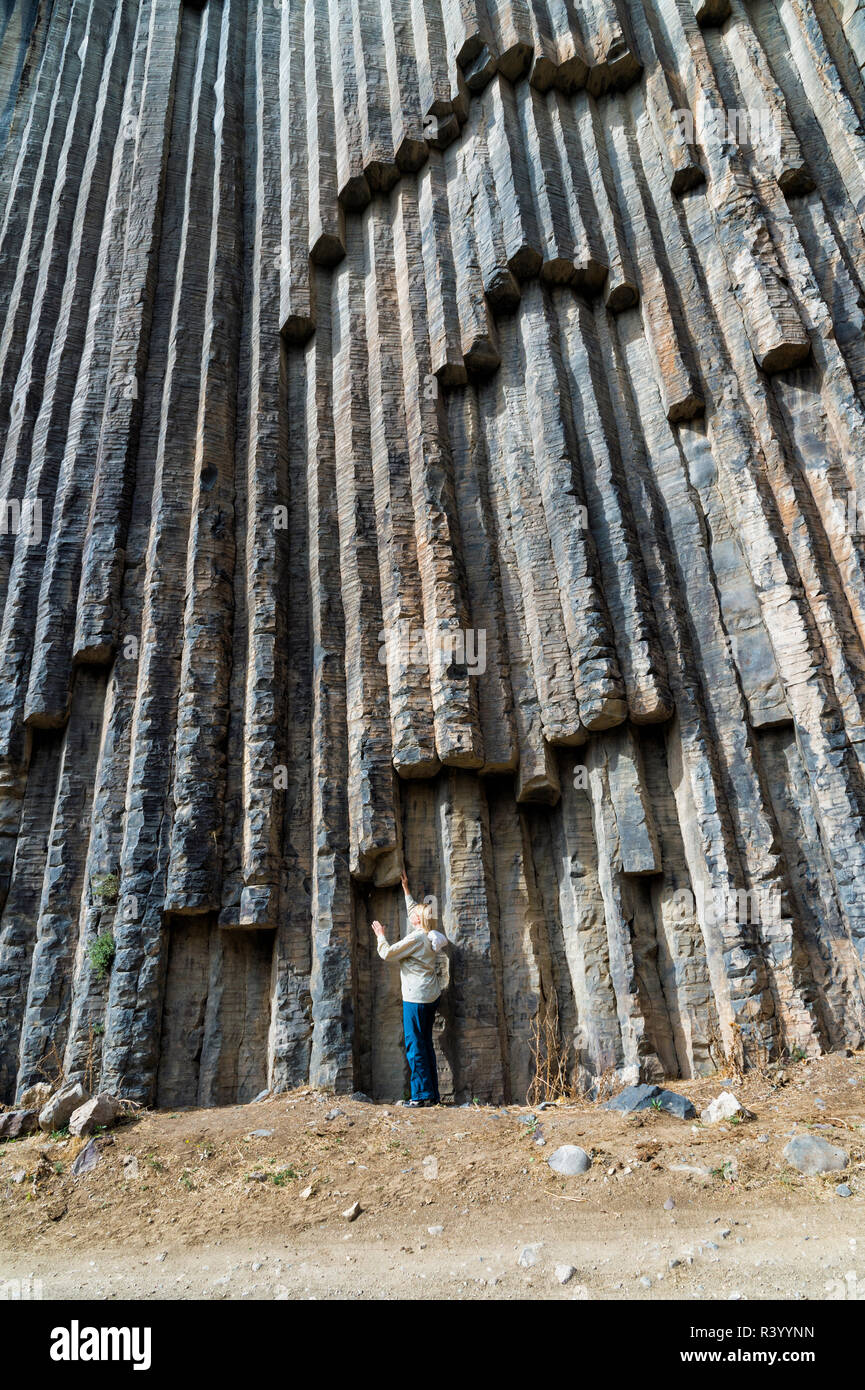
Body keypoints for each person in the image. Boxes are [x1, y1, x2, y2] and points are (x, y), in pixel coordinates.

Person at [371, 871, 448, 1108]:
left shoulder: (415, 939)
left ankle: (420, 1097)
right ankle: (431, 1094)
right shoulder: (428, 934)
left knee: (414, 1045)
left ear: (417, 921)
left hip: (416, 999)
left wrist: (380, 936)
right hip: (429, 996)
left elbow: (387, 953)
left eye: (414, 914)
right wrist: (406, 890)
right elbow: (414, 907)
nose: (411, 912)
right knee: (425, 1044)